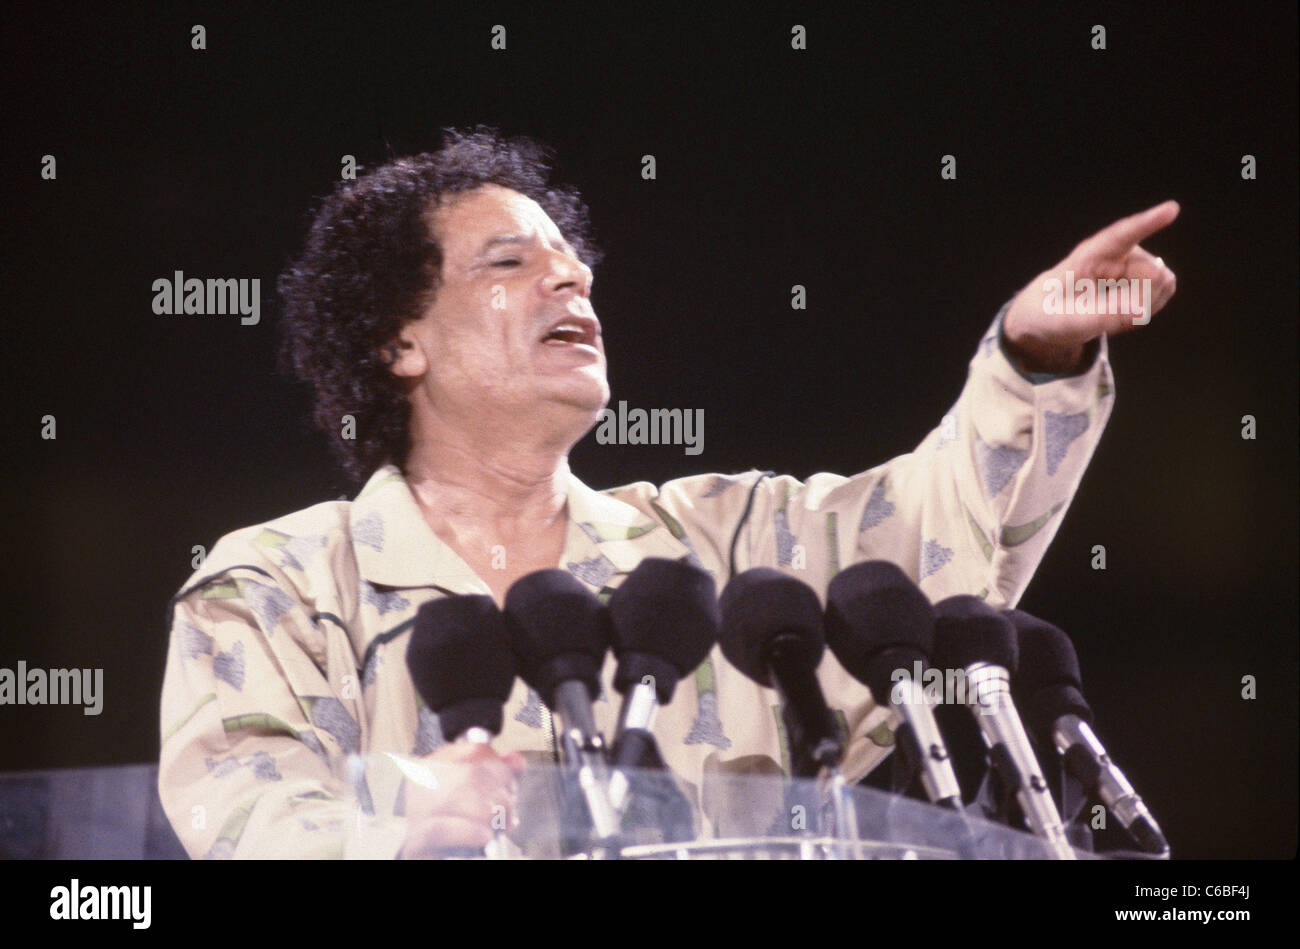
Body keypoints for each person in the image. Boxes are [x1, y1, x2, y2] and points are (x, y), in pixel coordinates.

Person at [158, 127, 1177, 858]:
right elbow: (243, 809)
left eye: (577, 268)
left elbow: (946, 533)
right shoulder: (282, 582)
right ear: (399, 340)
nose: (573, 284)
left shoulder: (721, 551)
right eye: (512, 263)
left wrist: (1034, 355)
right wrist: (399, 838)